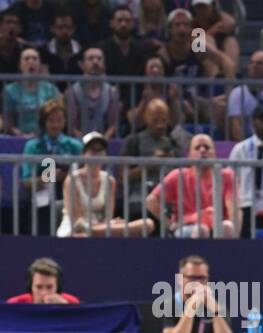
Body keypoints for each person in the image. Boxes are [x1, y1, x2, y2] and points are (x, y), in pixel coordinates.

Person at [60, 131, 155, 236]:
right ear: (84, 153)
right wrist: (109, 225)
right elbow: (77, 220)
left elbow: (108, 216)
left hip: (101, 228)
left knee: (147, 224)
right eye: (93, 150)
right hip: (75, 229)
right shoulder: (72, 180)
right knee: (81, 235)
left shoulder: (109, 180)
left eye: (100, 150)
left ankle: (93, 232)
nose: (97, 154)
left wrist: (108, 225)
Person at [146, 133, 239, 237]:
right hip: (187, 226)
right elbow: (151, 201)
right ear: (189, 155)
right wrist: (170, 224)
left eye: (207, 147)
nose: (202, 150)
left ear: (215, 153)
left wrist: (235, 231)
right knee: (201, 230)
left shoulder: (227, 175)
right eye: (197, 148)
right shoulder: (178, 175)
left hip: (217, 223)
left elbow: (233, 208)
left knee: (228, 226)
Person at [21, 96, 81, 234]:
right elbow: (26, 181)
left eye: (59, 120)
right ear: (44, 123)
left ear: (65, 121)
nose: (55, 125)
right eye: (51, 121)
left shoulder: (75, 146)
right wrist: (49, 177)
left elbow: (84, 174)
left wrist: (67, 177)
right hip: (42, 199)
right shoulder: (32, 146)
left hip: (71, 198)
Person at [121, 95, 184, 220]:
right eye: (155, 120)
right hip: (139, 196)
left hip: (168, 197)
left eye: (164, 120)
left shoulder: (174, 144)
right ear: (146, 118)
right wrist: (149, 165)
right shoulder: (133, 141)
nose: (160, 125)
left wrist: (173, 161)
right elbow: (123, 177)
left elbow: (184, 177)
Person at [228, 104, 263, 238]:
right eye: (262, 120)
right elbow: (230, 179)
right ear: (253, 122)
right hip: (246, 204)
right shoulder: (240, 149)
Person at [162, 253, 233, 333]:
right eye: (192, 278)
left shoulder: (217, 306)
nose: (197, 283)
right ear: (180, 279)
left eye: (202, 278)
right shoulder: (169, 304)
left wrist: (215, 312)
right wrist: (192, 307)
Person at [64, 48, 121, 137]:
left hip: (104, 141)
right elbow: (72, 126)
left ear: (104, 65)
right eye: (90, 58)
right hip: (79, 142)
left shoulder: (112, 92)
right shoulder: (72, 92)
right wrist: (85, 143)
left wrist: (101, 141)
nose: (95, 61)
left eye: (99, 59)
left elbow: (113, 125)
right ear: (81, 65)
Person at [3, 46, 59, 136]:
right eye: (26, 59)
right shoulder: (10, 90)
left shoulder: (50, 89)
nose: (31, 61)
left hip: (45, 136)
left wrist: (40, 134)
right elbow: (8, 123)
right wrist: (21, 135)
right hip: (18, 137)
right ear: (20, 65)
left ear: (40, 65)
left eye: (35, 59)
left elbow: (57, 119)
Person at [126, 58, 182, 131]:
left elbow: (176, 123)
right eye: (151, 67)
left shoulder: (170, 90)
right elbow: (135, 123)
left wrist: (174, 100)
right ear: (145, 72)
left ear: (163, 72)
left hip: (166, 136)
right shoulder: (136, 89)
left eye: (159, 68)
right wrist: (144, 102)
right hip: (142, 134)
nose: (156, 70)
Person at [103, 4, 153, 78]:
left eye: (127, 20)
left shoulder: (145, 50)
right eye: (119, 20)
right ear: (111, 23)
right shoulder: (102, 49)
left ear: (133, 23)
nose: (123, 24)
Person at [7, 256, 81, 303]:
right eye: (39, 287)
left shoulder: (72, 303)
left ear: (58, 287)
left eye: (49, 287)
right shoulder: (14, 304)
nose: (44, 293)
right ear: (30, 287)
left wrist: (66, 309)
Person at [39, 9, 81, 75]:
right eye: (60, 27)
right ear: (52, 29)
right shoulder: (44, 52)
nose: (64, 31)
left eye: (68, 27)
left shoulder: (81, 51)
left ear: (73, 29)